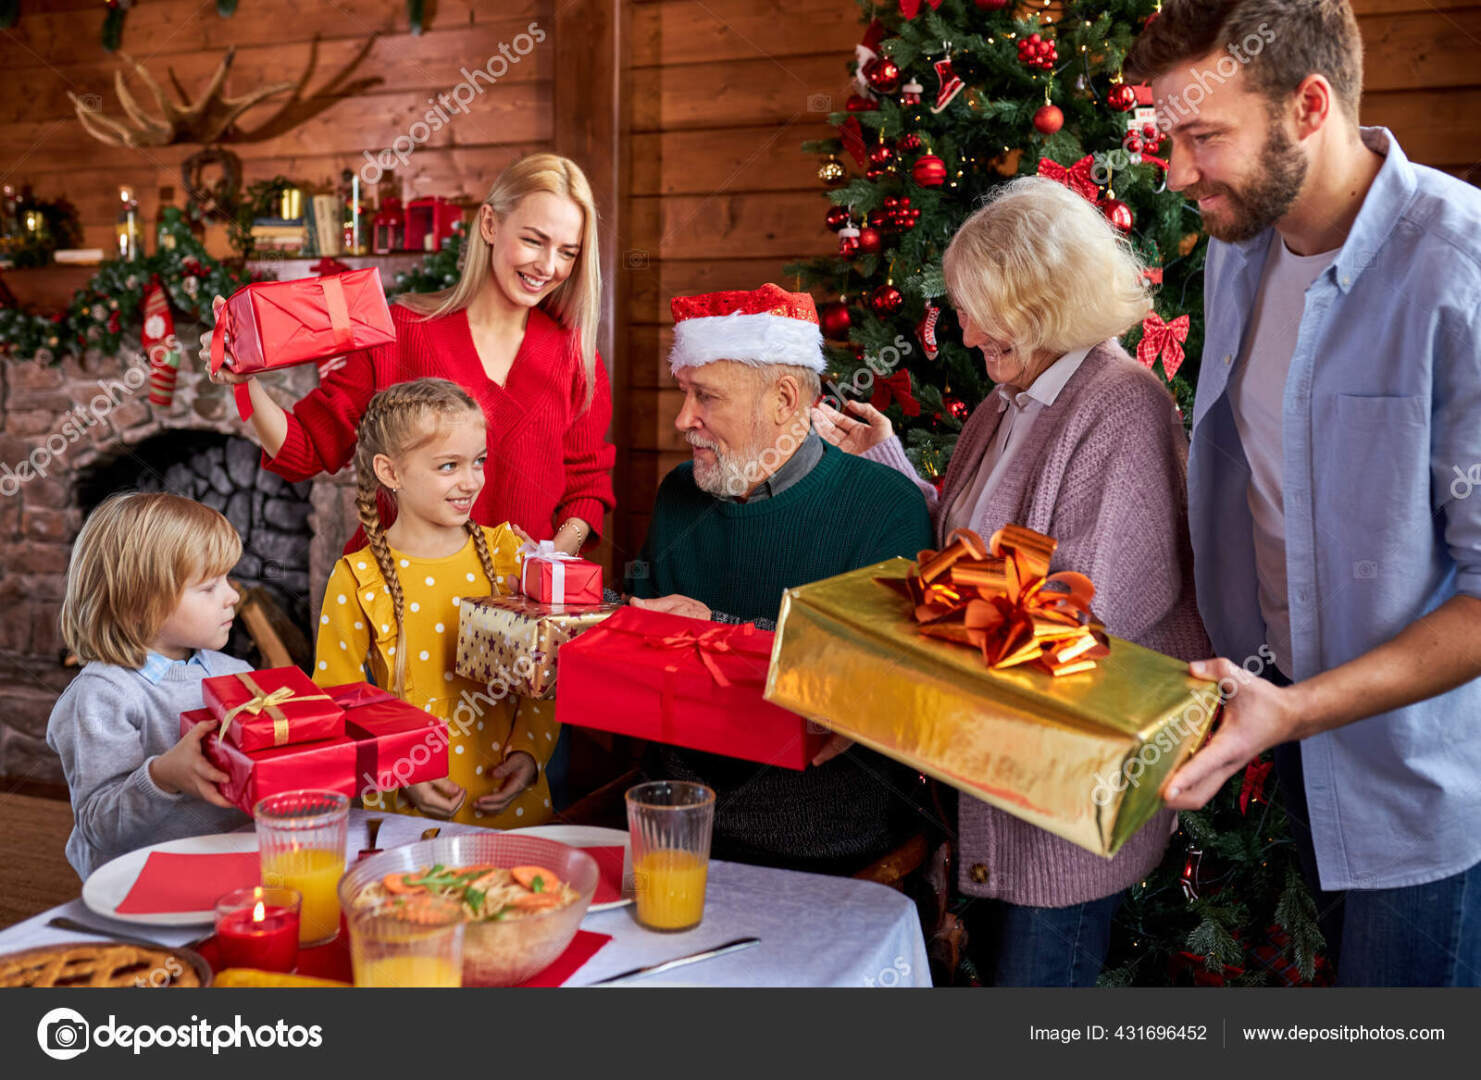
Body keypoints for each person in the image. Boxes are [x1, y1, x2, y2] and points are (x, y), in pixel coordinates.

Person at [1129, 0, 1481, 986]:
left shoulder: (1459, 273)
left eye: (1202, 138)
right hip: (1286, 738)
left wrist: (1294, 712)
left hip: (1421, 784)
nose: (1174, 172)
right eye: (1168, 138)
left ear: (1308, 106)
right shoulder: (1239, 252)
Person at [813, 176, 1210, 986]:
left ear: (1043, 301)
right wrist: (890, 463)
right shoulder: (1009, 398)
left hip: (1061, 796)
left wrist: (895, 644)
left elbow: (1081, 612)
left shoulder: (1121, 406)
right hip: (997, 776)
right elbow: (975, 546)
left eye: (977, 307)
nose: (960, 329)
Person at [627, 283, 935, 876]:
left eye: (705, 397)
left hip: (823, 842)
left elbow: (874, 680)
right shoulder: (678, 494)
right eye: (684, 392)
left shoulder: (885, 506)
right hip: (673, 824)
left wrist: (709, 631)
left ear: (785, 399)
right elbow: (642, 647)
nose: (682, 419)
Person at [203, 152, 615, 558]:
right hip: (402, 600)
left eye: (567, 252)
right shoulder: (401, 331)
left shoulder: (575, 356)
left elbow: (587, 484)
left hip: (518, 609)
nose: (548, 266)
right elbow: (309, 446)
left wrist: (552, 557)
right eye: (533, 240)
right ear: (490, 224)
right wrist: (246, 384)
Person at [314, 378, 556, 827]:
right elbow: (338, 700)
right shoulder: (356, 579)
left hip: (512, 810)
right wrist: (396, 768)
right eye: (448, 466)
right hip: (406, 816)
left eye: (479, 462)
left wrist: (529, 752)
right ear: (390, 472)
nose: (471, 481)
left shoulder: (509, 557)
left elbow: (542, 675)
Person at [47, 493, 251, 879]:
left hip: (229, 871)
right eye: (209, 587)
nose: (232, 596)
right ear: (140, 603)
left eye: (228, 579)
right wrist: (163, 776)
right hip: (139, 883)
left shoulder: (236, 672)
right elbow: (99, 826)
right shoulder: (104, 696)